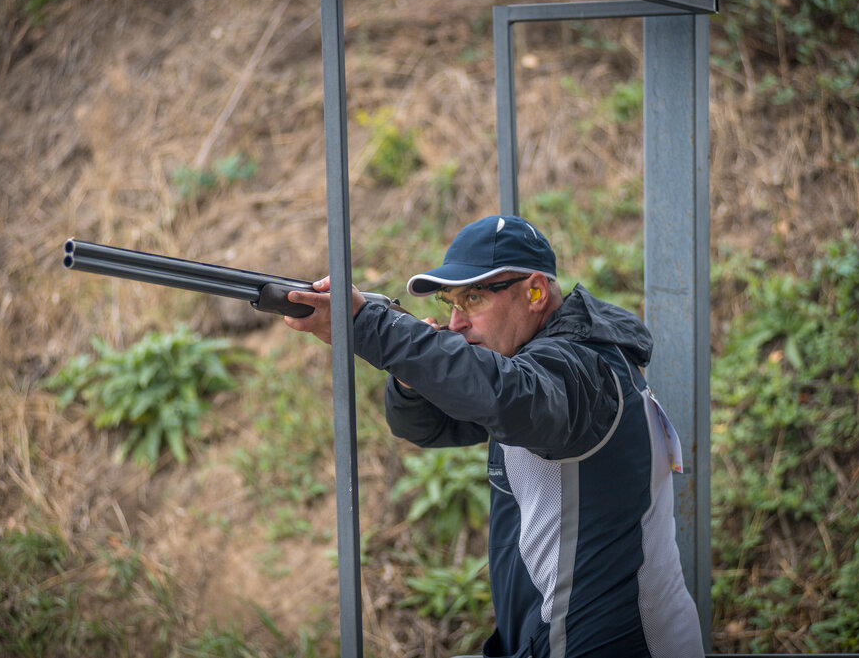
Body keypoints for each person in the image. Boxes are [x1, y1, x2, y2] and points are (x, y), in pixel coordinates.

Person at [283, 214, 703, 658]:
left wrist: (371, 326)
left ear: (535, 292)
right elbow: (428, 425)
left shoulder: (582, 371)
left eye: (473, 298)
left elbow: (504, 395)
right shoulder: (540, 363)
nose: (456, 322)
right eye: (450, 303)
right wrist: (411, 375)